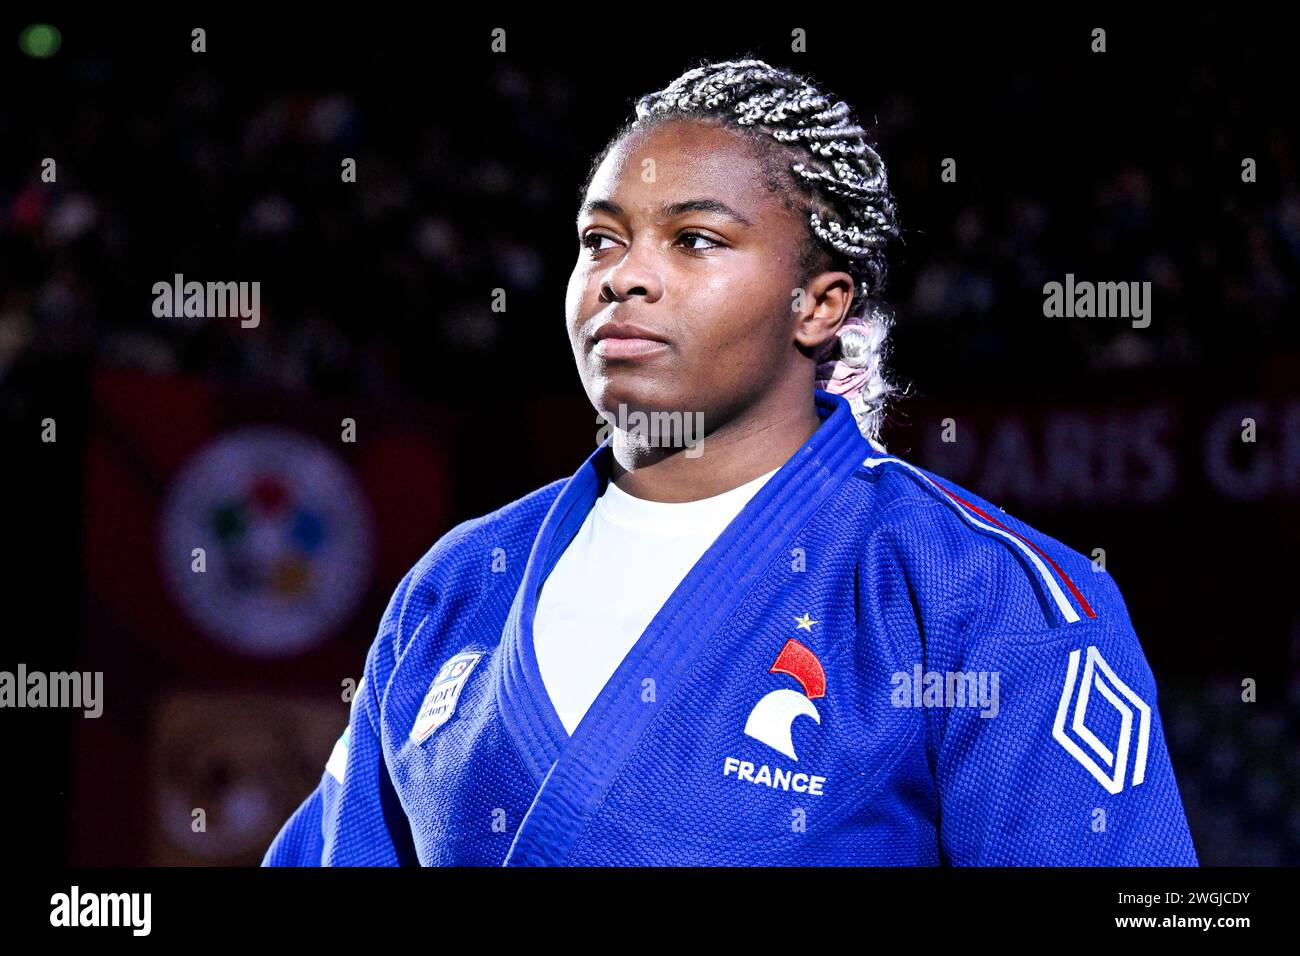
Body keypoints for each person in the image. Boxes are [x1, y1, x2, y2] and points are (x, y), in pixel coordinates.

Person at [262, 57, 1198, 866]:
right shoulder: (460, 582)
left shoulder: (982, 595)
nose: (624, 275)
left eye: (695, 239)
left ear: (819, 305)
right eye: (601, 240)